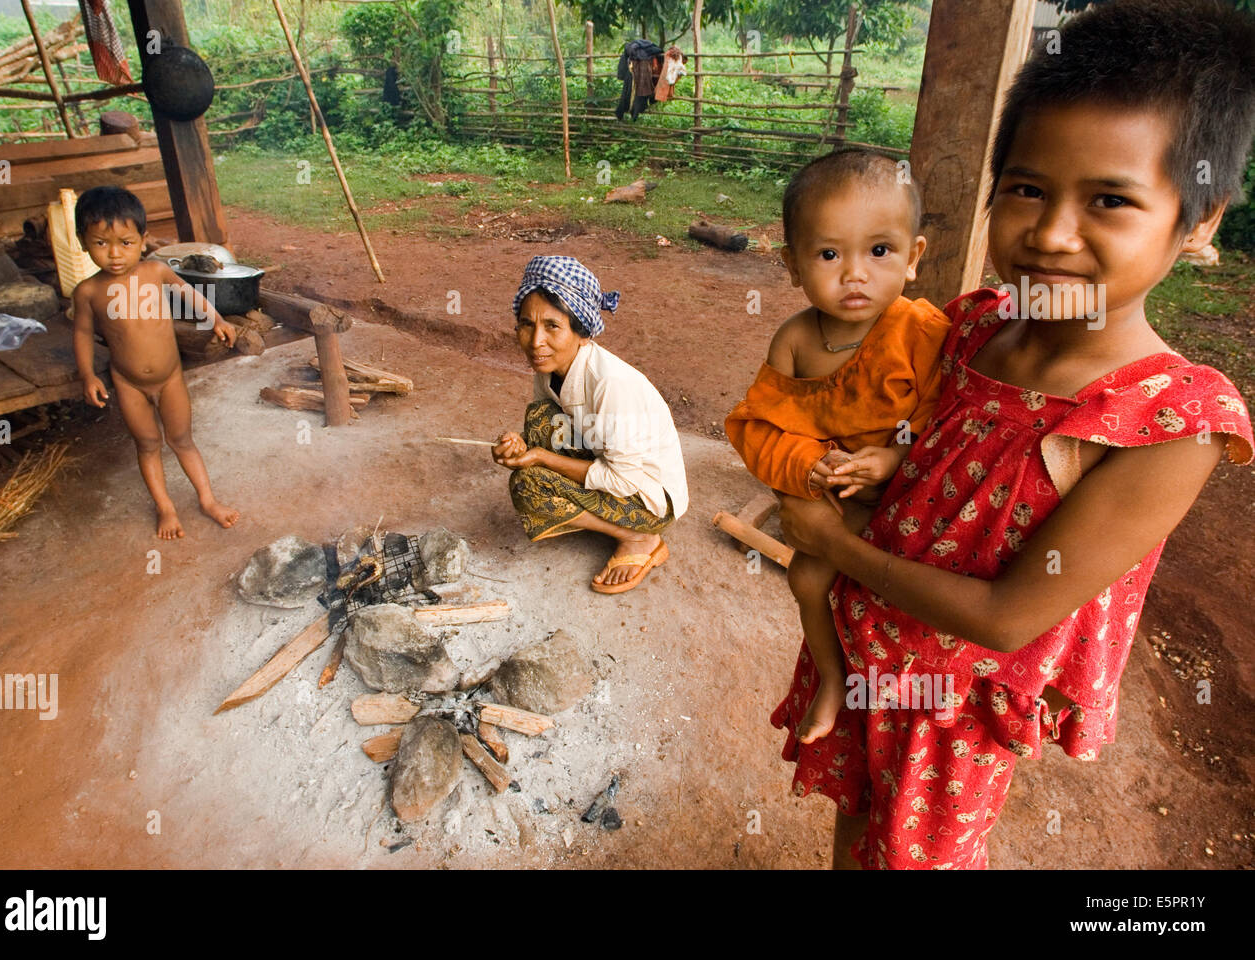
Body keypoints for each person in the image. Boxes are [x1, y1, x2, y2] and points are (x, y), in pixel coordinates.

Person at [771, 0, 1255, 869]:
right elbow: (930, 436)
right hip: (866, 644)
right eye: (1027, 188)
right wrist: (891, 454)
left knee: (913, 858)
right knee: (853, 823)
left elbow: (1007, 617)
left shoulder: (1170, 421)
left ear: (1202, 220)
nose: (1051, 233)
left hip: (952, 710)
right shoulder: (973, 323)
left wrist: (829, 547)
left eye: (1110, 199)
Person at [725, 149, 951, 743]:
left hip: (911, 497)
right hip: (834, 496)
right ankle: (831, 679)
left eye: (880, 251)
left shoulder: (921, 332)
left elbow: (944, 419)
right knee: (805, 583)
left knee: (894, 612)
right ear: (792, 265)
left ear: (913, 258)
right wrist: (810, 465)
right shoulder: (796, 341)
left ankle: (912, 708)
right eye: (829, 254)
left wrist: (896, 456)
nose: (855, 273)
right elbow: (759, 428)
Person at [492, 255, 688, 593]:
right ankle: (605, 518)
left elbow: (623, 478)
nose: (536, 340)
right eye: (527, 324)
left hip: (651, 497)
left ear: (582, 333)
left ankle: (639, 538)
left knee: (528, 485)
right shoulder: (552, 366)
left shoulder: (611, 383)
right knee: (539, 421)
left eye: (552, 326)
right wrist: (520, 444)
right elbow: (549, 426)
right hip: (611, 462)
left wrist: (541, 458)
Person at [71, 185, 240, 540]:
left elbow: (192, 295)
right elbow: (84, 335)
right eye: (101, 243)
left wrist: (218, 320)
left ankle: (208, 500)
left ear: (143, 239)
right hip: (129, 383)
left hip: (170, 378)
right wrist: (87, 374)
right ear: (82, 241)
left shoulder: (155, 272)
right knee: (148, 444)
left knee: (182, 439)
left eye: (126, 242)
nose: (114, 254)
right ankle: (165, 507)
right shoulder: (87, 291)